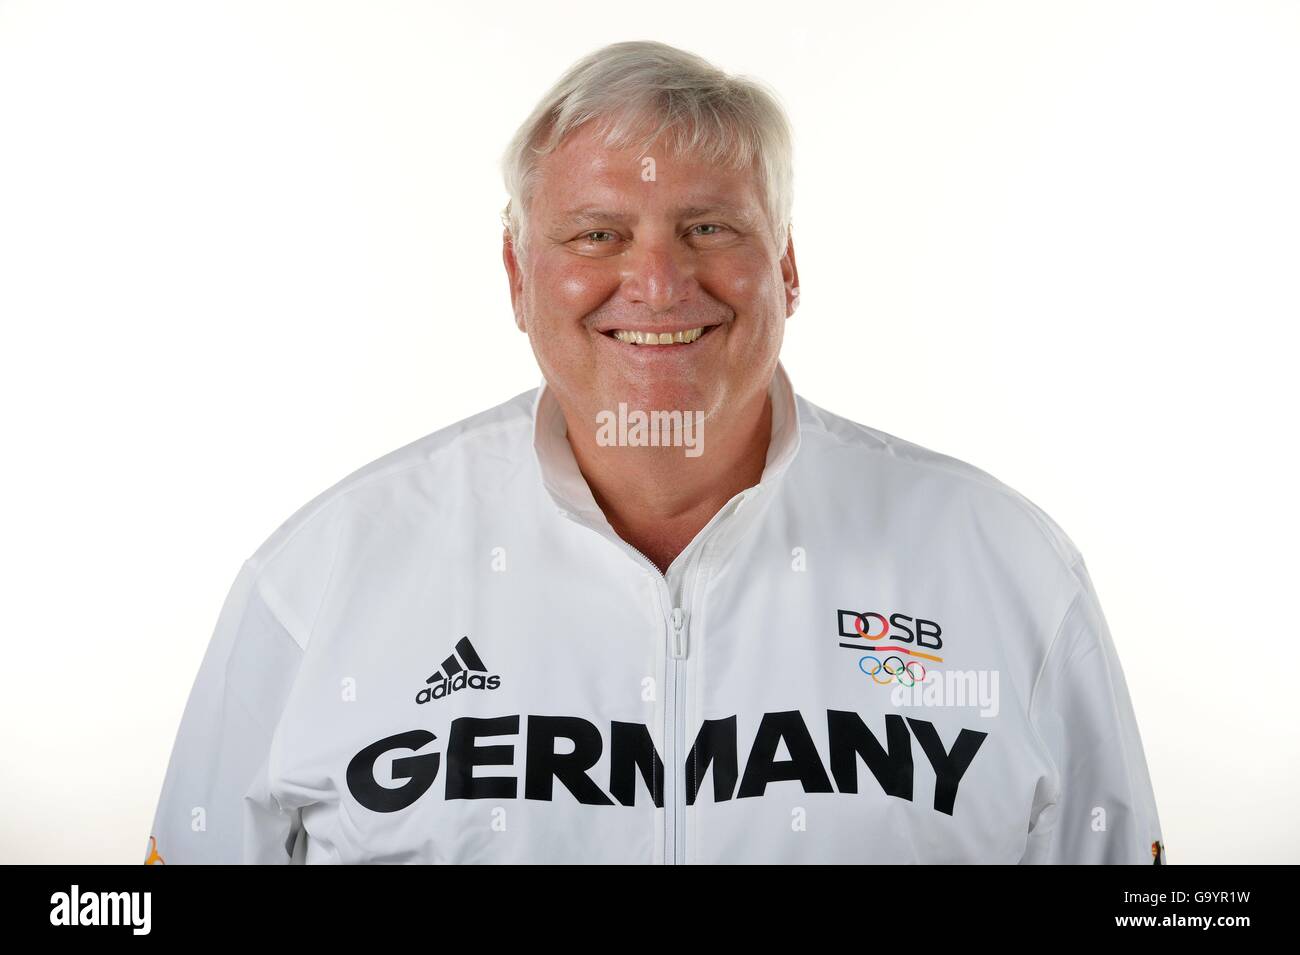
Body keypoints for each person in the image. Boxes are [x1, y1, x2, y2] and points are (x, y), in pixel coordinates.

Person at [146, 39, 1164, 864]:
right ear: (515, 273)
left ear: (788, 264)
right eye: (595, 235)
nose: (658, 281)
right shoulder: (320, 580)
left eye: (709, 227)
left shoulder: (1005, 567)